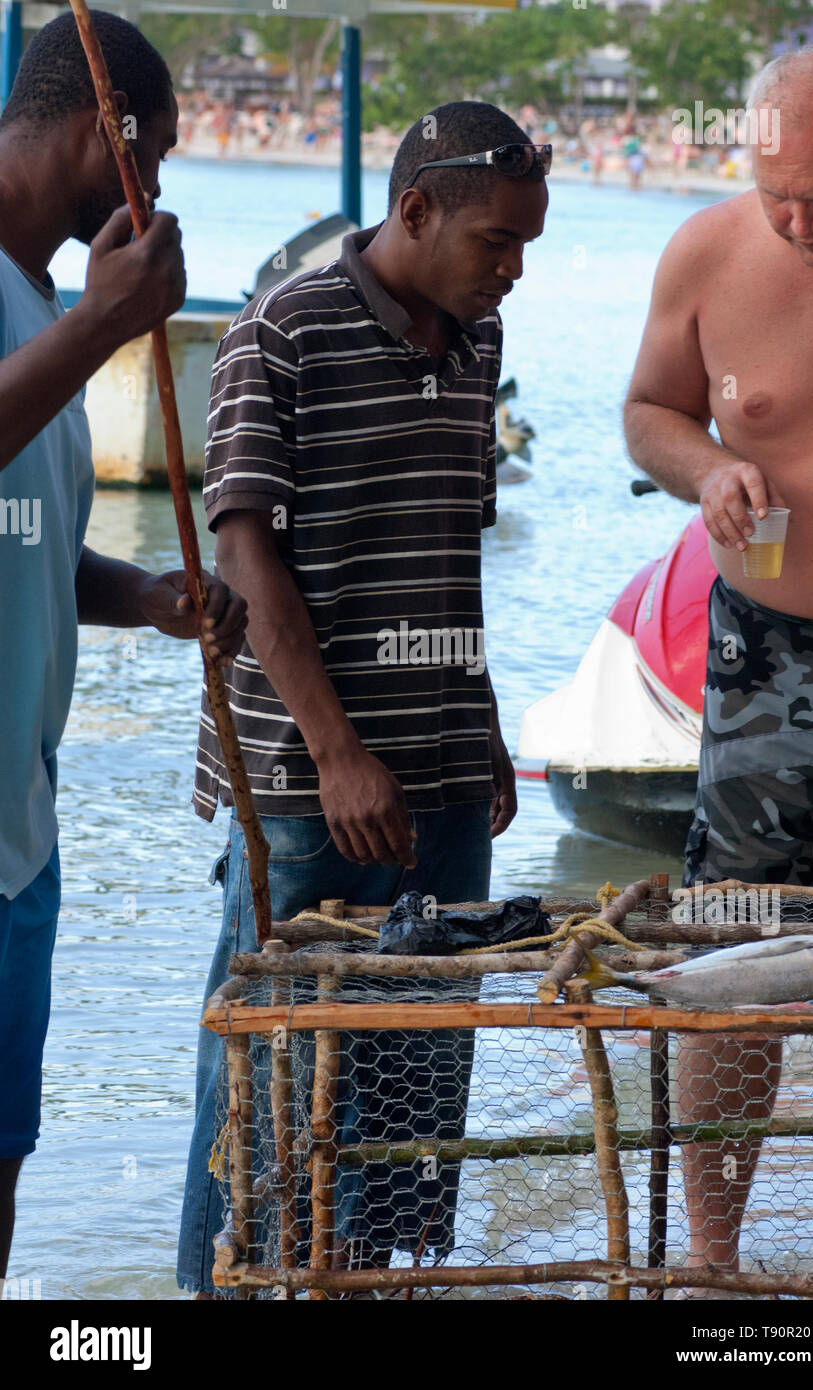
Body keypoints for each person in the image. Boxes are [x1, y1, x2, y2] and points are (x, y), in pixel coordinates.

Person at [177, 99, 549, 1296]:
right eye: (496, 242)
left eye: (528, 247)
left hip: (440, 787)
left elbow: (452, 546)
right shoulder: (275, 337)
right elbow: (248, 561)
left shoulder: (479, 346)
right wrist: (339, 753)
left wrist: (481, 721)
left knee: (404, 1113)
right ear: (416, 211)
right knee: (269, 1107)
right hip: (301, 789)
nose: (513, 270)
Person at [0, 11, 247, 1283]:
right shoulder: (64, 320)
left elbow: (26, 541)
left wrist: (146, 593)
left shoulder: (40, 300)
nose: (154, 191)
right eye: (149, 158)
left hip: (20, 841)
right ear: (108, 128)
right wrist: (98, 330)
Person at [624, 46, 813, 1289]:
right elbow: (650, 409)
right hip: (766, 653)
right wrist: (707, 467)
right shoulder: (714, 252)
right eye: (778, 192)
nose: (798, 220)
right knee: (738, 955)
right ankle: (714, 1261)